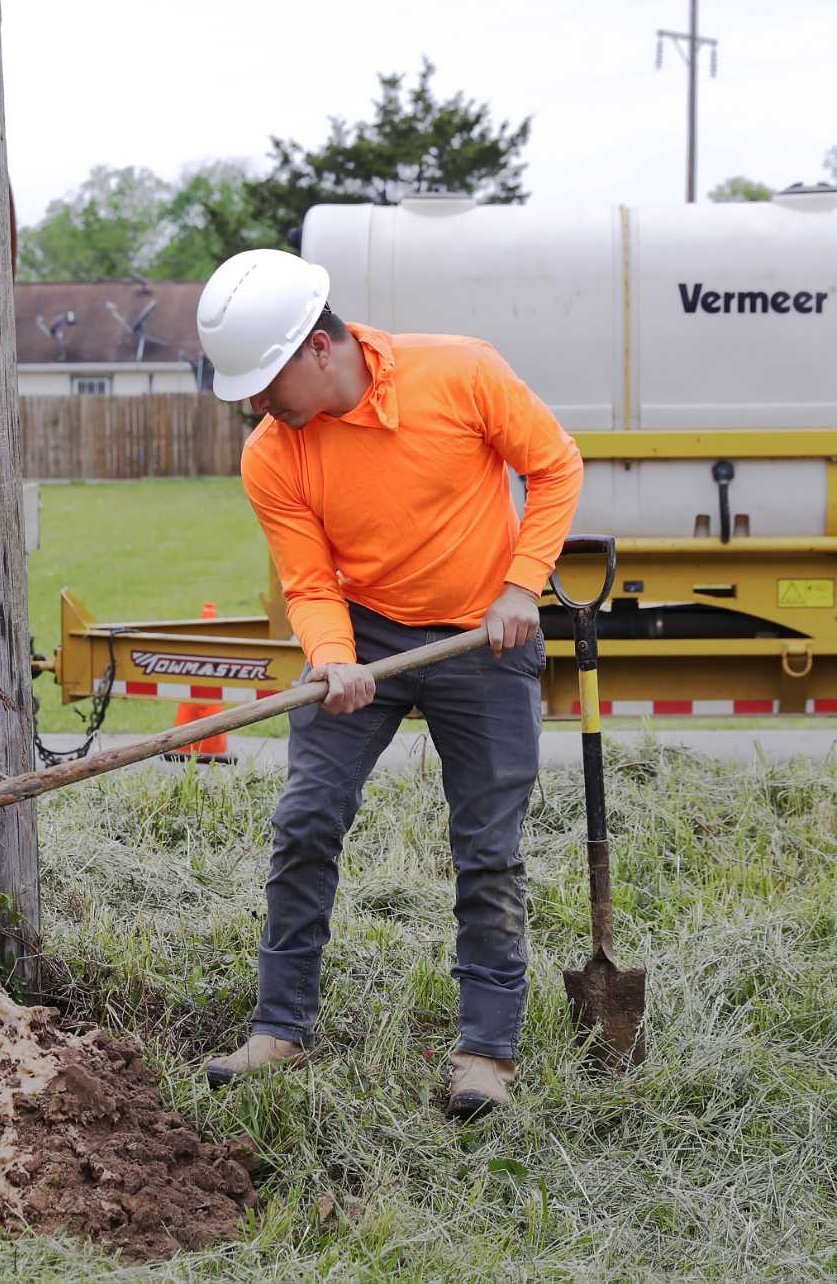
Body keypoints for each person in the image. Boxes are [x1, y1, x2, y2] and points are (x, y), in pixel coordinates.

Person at [194, 248, 583, 1120]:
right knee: (303, 822)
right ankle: (279, 1028)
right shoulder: (272, 454)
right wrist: (333, 655)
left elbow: (555, 465)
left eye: (266, 382)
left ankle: (486, 1051)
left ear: (320, 348)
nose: (259, 405)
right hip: (364, 634)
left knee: (487, 846)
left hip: (485, 631)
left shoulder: (462, 372)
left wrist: (524, 584)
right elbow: (308, 579)